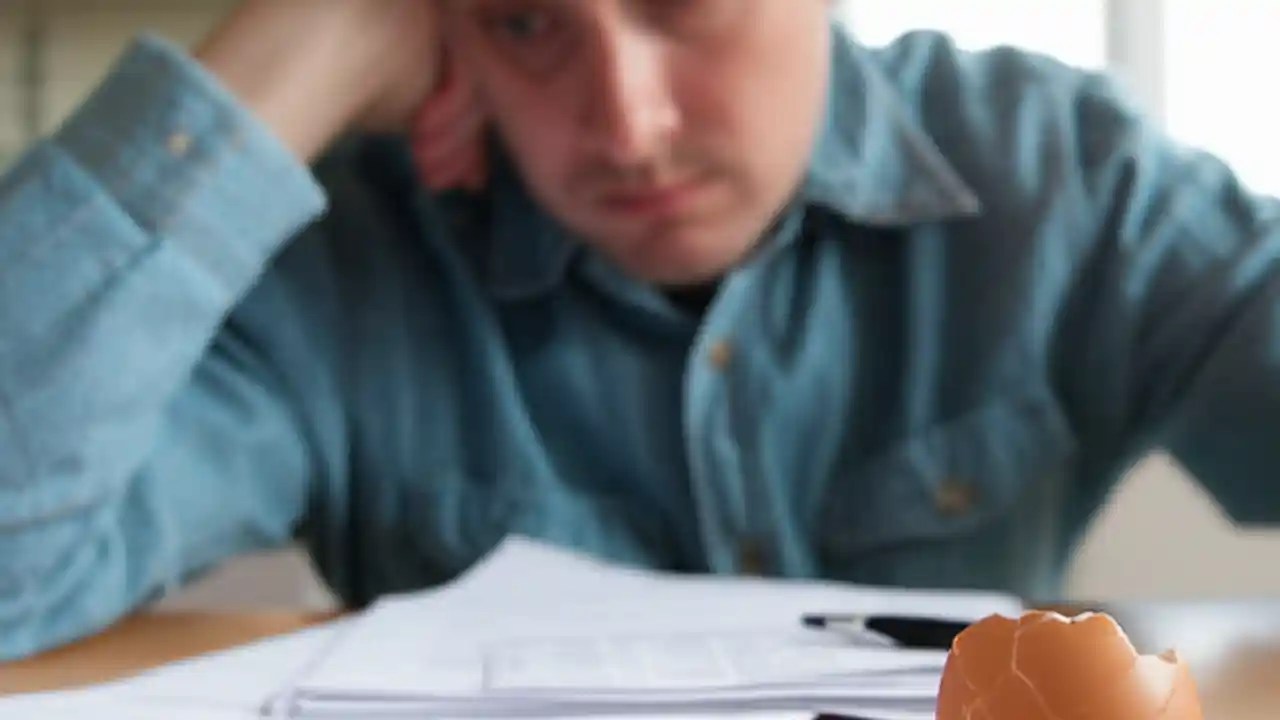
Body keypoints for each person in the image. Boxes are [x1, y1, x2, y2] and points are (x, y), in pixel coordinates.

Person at [1, 0, 1277, 661]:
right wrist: (303, 47)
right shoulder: (342, 261)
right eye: (524, 22)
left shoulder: (1065, 181)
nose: (626, 125)